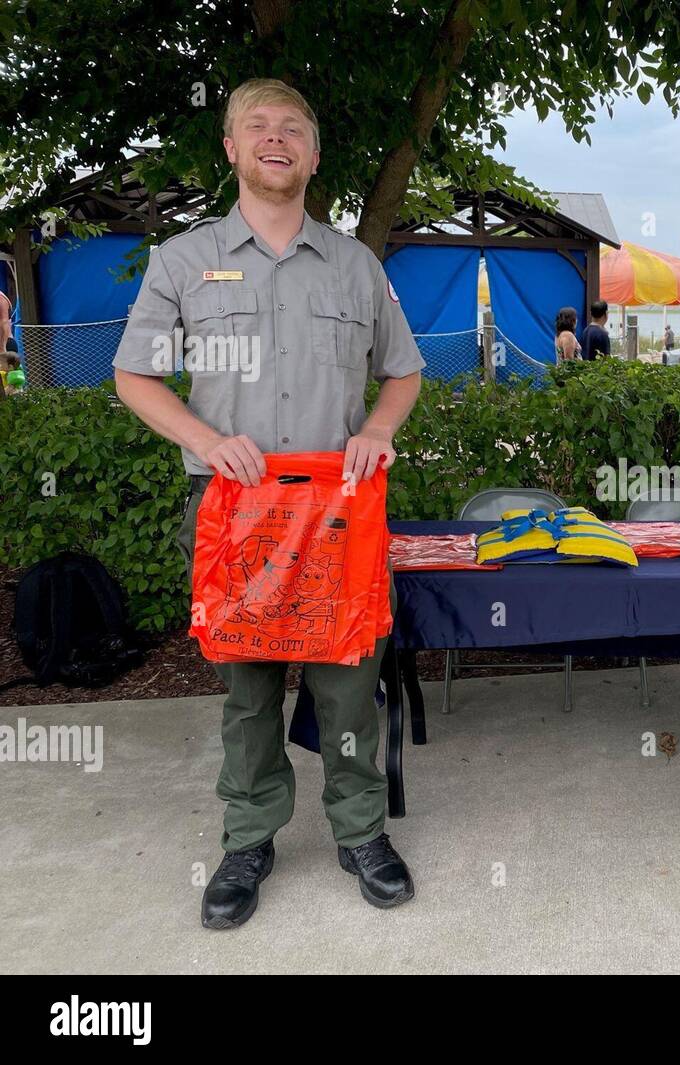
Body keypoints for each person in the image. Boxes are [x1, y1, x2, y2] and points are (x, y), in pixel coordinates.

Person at [112, 78, 424, 929]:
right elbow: (133, 374)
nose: (275, 139)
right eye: (258, 126)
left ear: (315, 155)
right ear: (231, 149)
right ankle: (249, 837)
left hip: (336, 521)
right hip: (235, 520)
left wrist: (379, 431)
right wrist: (207, 442)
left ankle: (361, 832)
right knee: (247, 693)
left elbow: (404, 372)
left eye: (293, 129)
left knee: (350, 688)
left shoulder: (358, 265)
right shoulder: (182, 260)